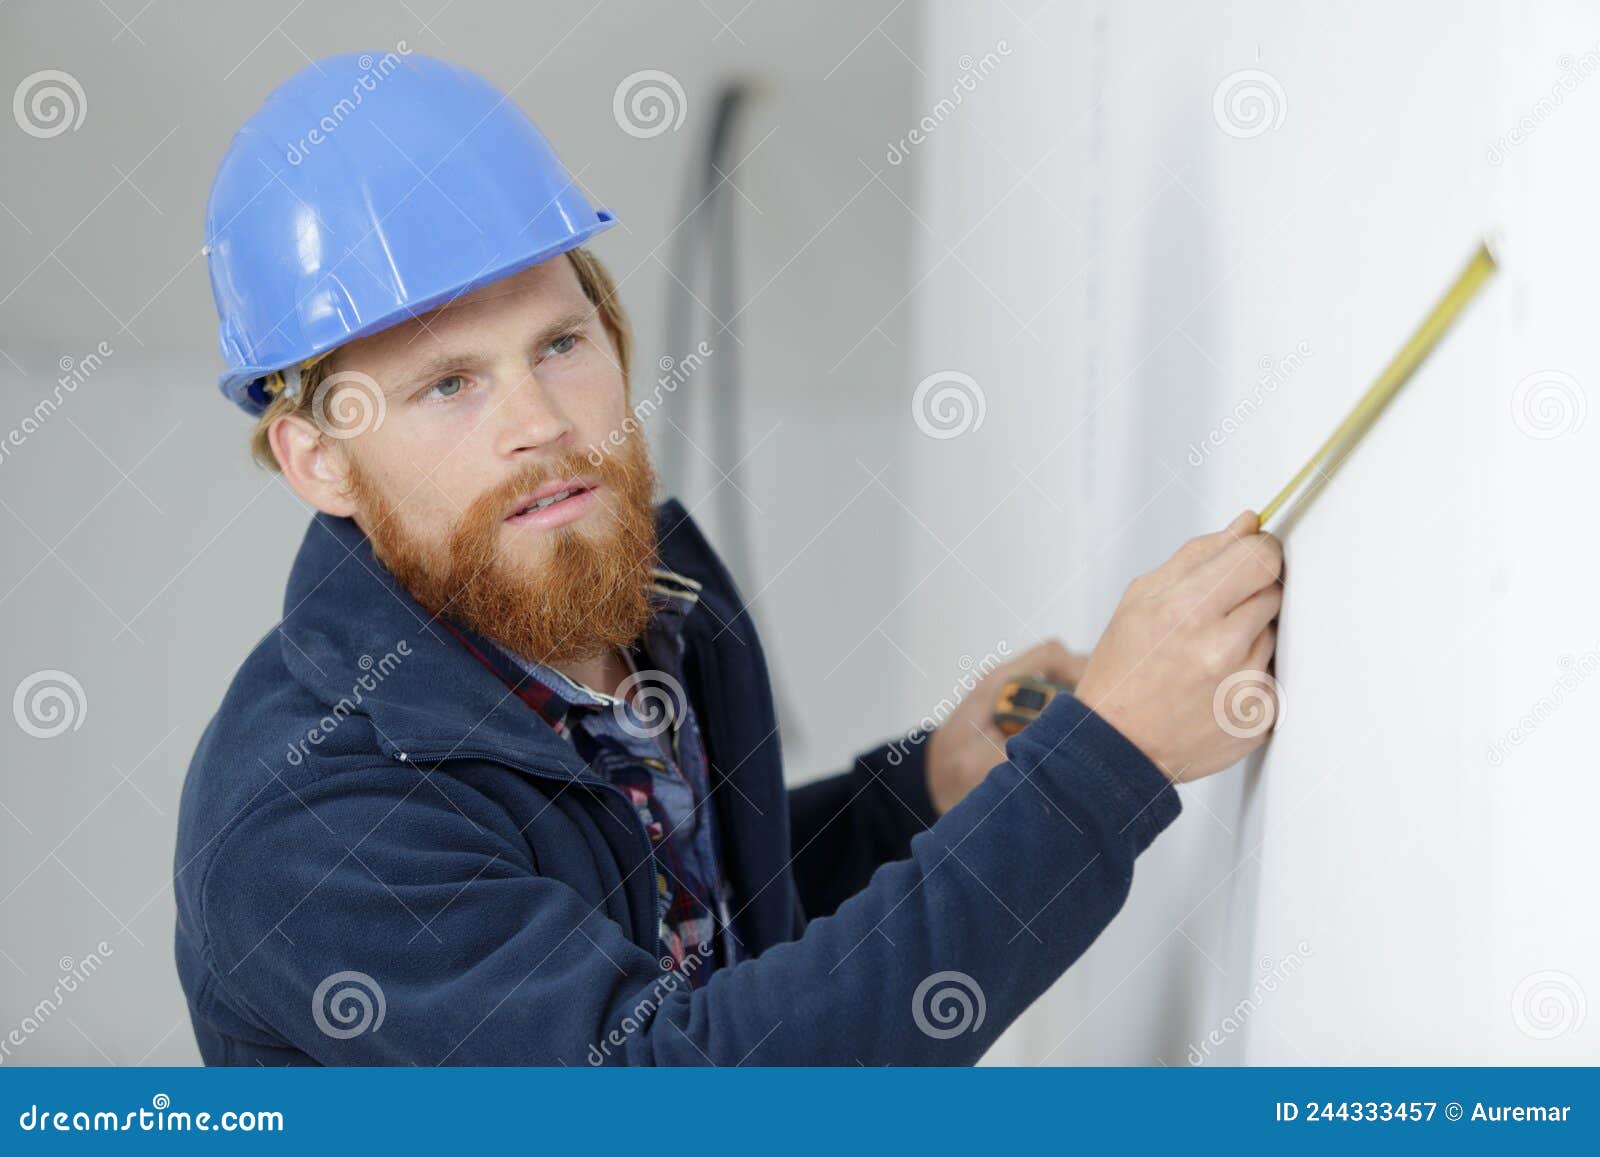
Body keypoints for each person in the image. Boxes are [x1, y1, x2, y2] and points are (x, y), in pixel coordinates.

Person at [174, 52, 1283, 1066]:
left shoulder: (638, 606)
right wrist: (1103, 761)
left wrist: (919, 792)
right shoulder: (309, 822)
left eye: (559, 344)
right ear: (317, 460)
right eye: (448, 385)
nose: (540, 421)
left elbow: (676, 917)